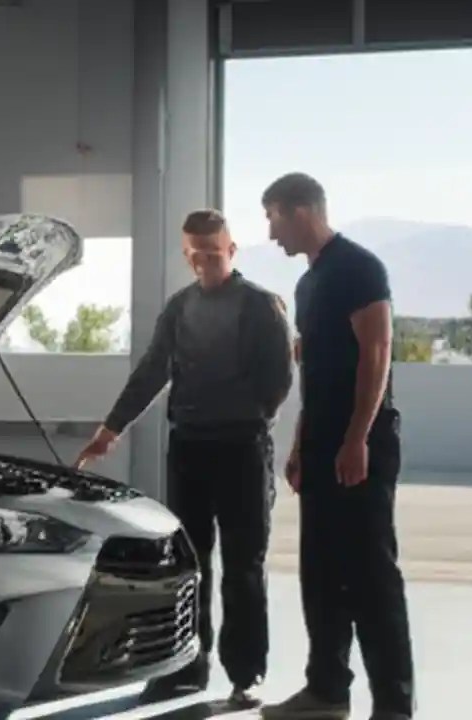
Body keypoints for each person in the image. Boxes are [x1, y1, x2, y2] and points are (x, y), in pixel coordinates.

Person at [75, 209, 294, 709]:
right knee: (190, 563)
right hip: (189, 449)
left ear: (232, 251)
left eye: (213, 254)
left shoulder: (261, 306)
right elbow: (152, 371)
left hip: (241, 449)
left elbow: (278, 380)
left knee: (243, 565)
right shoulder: (179, 308)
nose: (204, 264)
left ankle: (245, 674)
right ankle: (186, 669)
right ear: (185, 253)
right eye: (195, 255)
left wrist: (246, 415)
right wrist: (110, 430)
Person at [257, 173, 416, 720]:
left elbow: (378, 354)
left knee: (370, 574)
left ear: (300, 211)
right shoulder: (308, 284)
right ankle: (326, 692)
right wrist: (301, 445)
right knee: (321, 573)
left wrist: (356, 439)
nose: (272, 233)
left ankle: (394, 706)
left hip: (361, 443)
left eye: (273, 218)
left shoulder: (359, 268)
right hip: (323, 442)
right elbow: (316, 374)